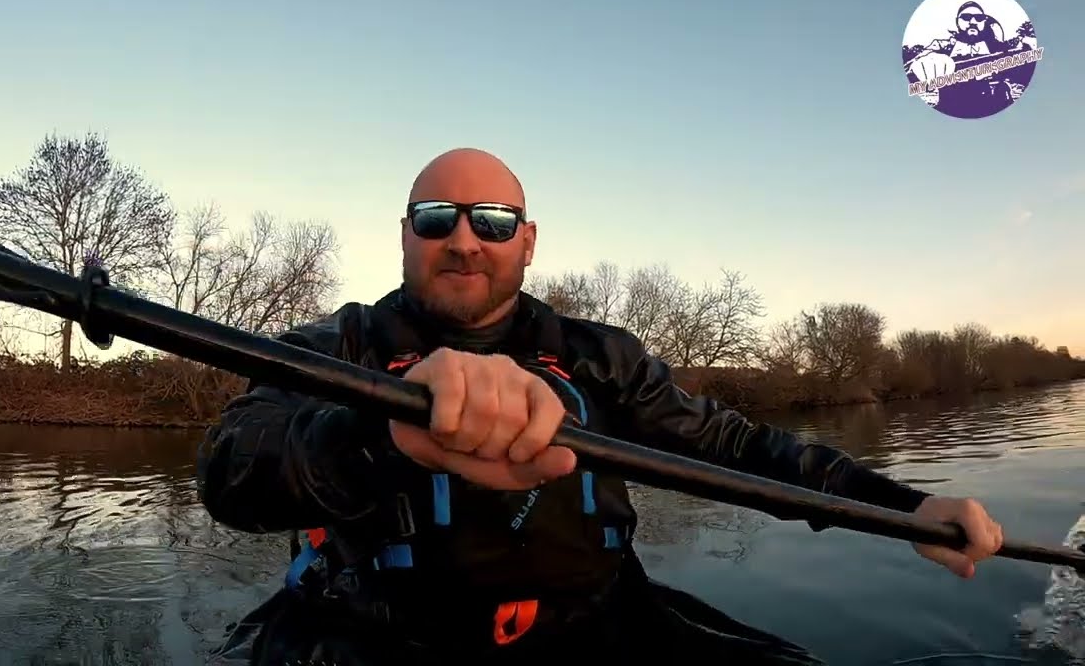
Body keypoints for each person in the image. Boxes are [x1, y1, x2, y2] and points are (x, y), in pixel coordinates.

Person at [196, 148, 1005, 666]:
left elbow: (741, 446)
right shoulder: (333, 346)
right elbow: (231, 474)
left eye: (494, 219)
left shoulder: (599, 355)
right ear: (406, 236)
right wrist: (380, 432)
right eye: (438, 218)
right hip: (377, 639)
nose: (466, 239)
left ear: (529, 238)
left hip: (600, 628)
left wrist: (908, 509)